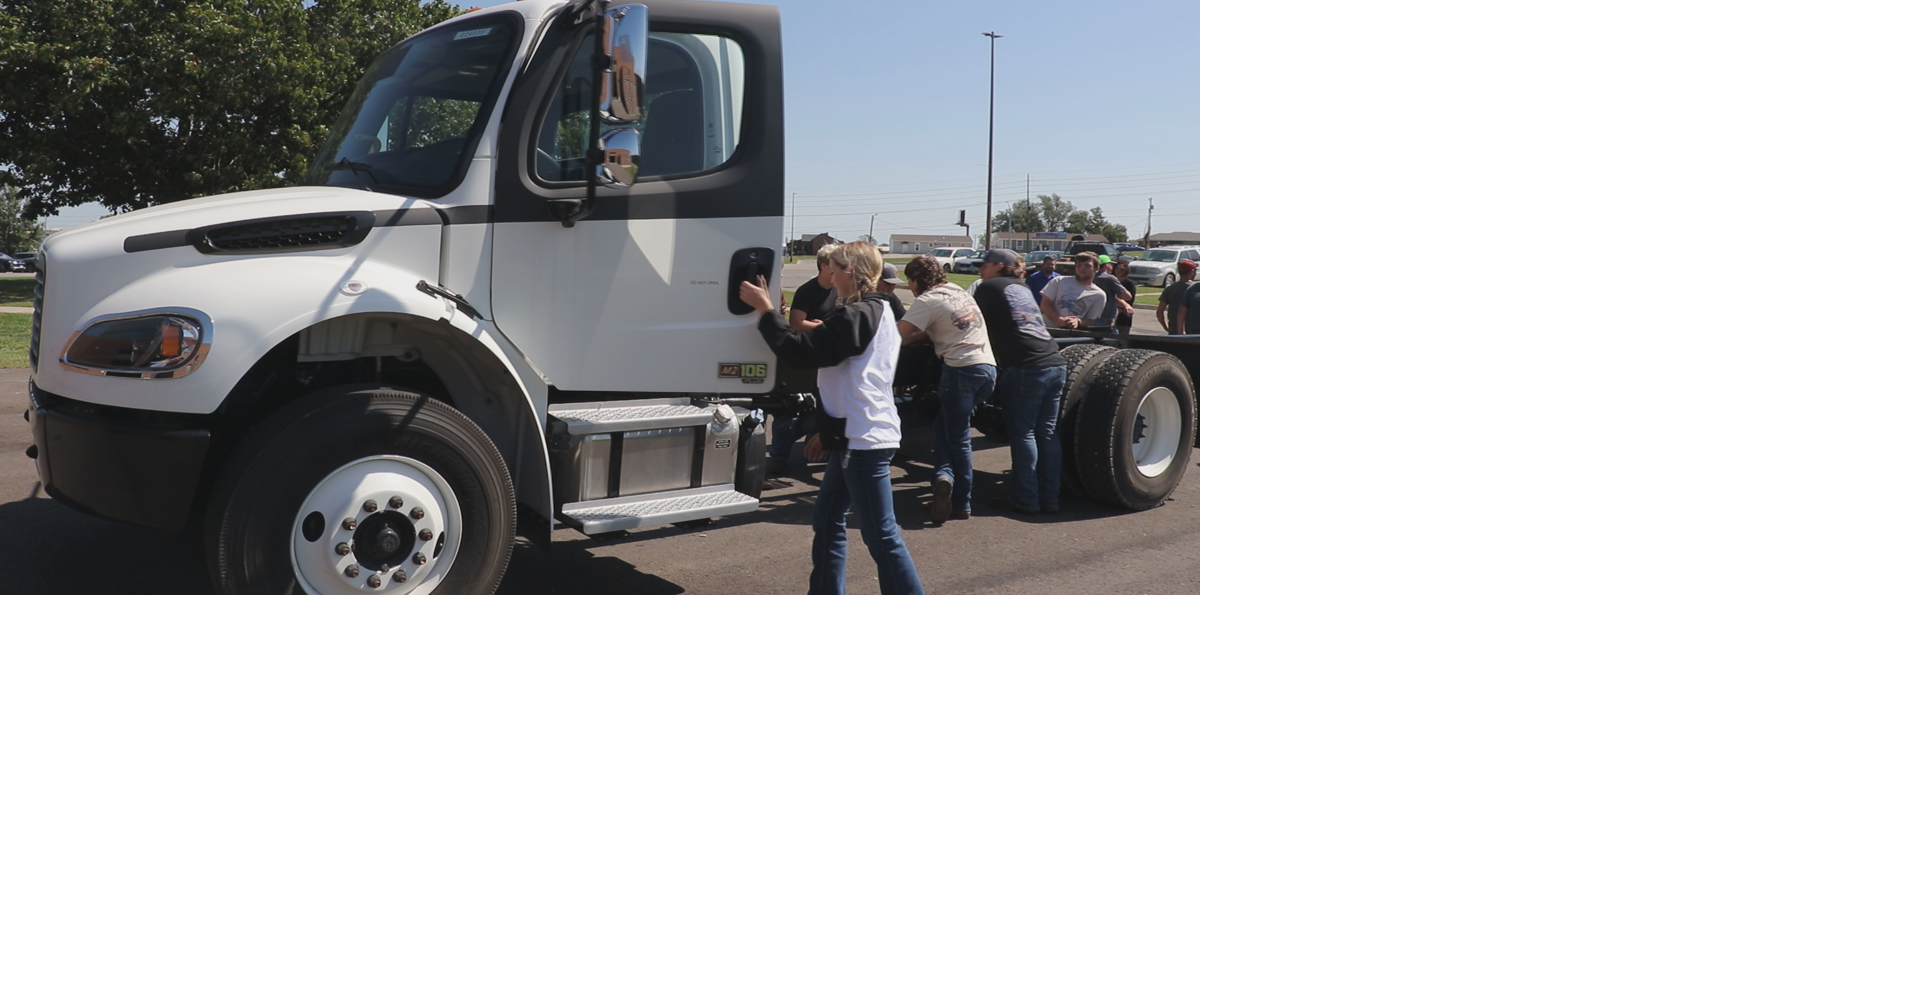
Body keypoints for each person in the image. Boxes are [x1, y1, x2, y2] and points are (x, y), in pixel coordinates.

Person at [737, 241, 925, 594]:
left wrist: (765, 312)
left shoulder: (856, 315)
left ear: (851, 272)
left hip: (863, 439)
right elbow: (848, 373)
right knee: (827, 519)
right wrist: (830, 432)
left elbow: (801, 352)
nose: (832, 277)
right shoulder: (882, 308)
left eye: (835, 270)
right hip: (854, 434)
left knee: (881, 536)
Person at [897, 254, 996, 524]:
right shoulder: (958, 291)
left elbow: (896, 334)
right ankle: (943, 477)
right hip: (987, 370)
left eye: (910, 282)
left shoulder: (927, 300)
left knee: (958, 436)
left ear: (916, 280)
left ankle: (961, 501)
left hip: (960, 371)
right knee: (945, 428)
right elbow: (941, 329)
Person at [974, 248, 1067, 515]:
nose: (981, 269)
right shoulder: (1022, 288)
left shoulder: (988, 287)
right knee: (1046, 433)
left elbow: (973, 322)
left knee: (1023, 432)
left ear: (999, 266)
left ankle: (1025, 498)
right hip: (1054, 362)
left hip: (1025, 367)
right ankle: (1049, 498)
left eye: (985, 264)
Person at [768, 246, 840, 475]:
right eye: (836, 263)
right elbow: (796, 322)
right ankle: (779, 457)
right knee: (788, 409)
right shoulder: (807, 291)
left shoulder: (838, 289)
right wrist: (823, 328)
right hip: (800, 358)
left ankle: (818, 446)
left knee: (825, 407)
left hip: (826, 358)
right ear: (824, 265)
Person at [1040, 251, 1107, 331]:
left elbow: (1089, 320)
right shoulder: (1059, 281)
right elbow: (1045, 304)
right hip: (1045, 331)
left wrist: (1077, 322)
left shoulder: (1099, 295)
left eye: (1087, 265)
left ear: (1096, 269)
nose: (1082, 268)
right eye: (1079, 265)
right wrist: (1059, 320)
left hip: (1071, 336)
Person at [1095, 255, 1136, 335]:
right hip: (1106, 321)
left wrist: (1124, 305)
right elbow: (1128, 296)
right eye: (1111, 265)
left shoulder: (1089, 277)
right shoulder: (1109, 278)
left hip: (1089, 319)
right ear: (1107, 265)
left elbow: (1108, 296)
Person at [1158, 259, 1197, 333]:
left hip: (1174, 329)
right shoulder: (1195, 288)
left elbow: (1160, 311)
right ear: (1191, 272)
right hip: (1193, 329)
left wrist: (1165, 327)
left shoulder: (1170, 288)